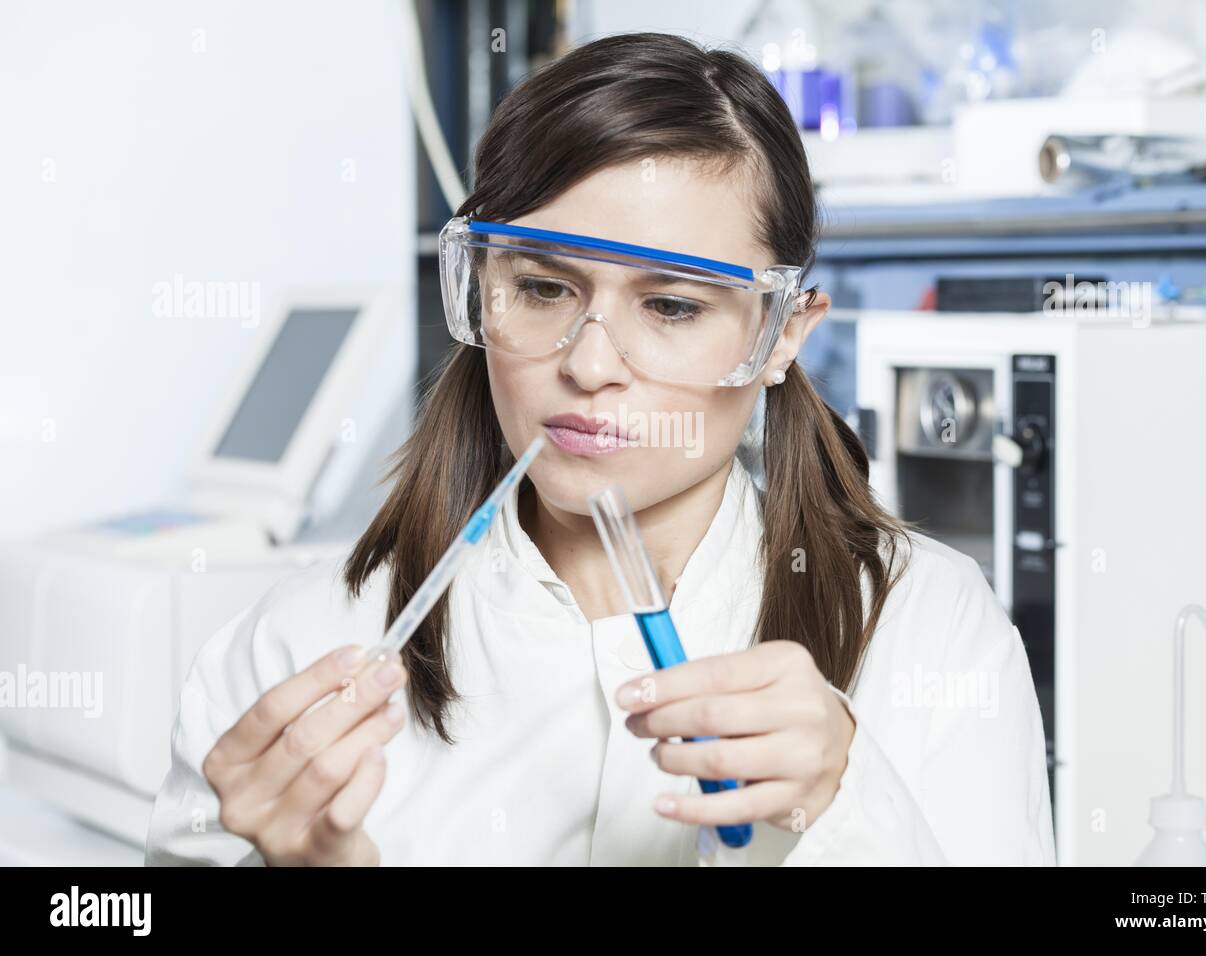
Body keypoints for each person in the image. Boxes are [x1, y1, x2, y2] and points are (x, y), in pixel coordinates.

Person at [145, 31, 1055, 866]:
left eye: (670, 307)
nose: (587, 365)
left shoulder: (928, 631)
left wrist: (848, 807)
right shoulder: (303, 648)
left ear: (782, 333)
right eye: (542, 289)